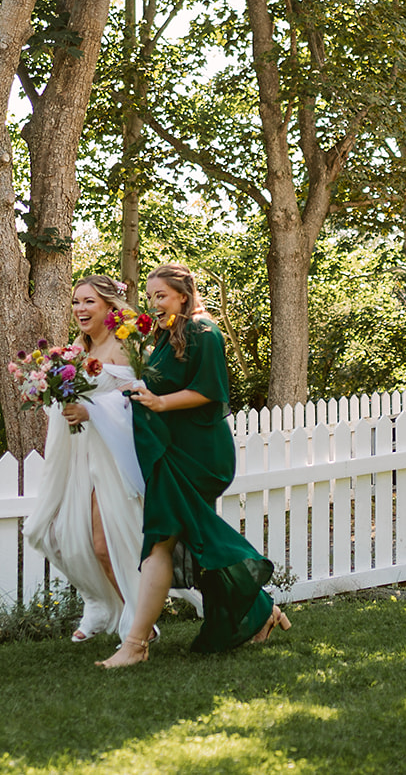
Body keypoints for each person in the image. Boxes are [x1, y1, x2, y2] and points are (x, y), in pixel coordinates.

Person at [97, 263, 290, 667]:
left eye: (161, 295)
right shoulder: (169, 334)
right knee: (186, 537)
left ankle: (135, 646)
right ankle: (260, 608)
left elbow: (209, 390)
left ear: (183, 295)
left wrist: (160, 402)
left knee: (163, 537)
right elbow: (159, 382)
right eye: (150, 297)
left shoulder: (204, 331)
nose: (155, 303)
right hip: (172, 450)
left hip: (198, 454)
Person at [23, 275, 148, 642]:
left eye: (88, 301)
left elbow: (137, 402)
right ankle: (99, 601)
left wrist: (91, 411)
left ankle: (139, 620)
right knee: (53, 533)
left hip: (113, 459)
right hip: (78, 459)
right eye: (76, 302)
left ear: (110, 306)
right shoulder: (75, 352)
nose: (79, 309)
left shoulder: (126, 348)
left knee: (101, 544)